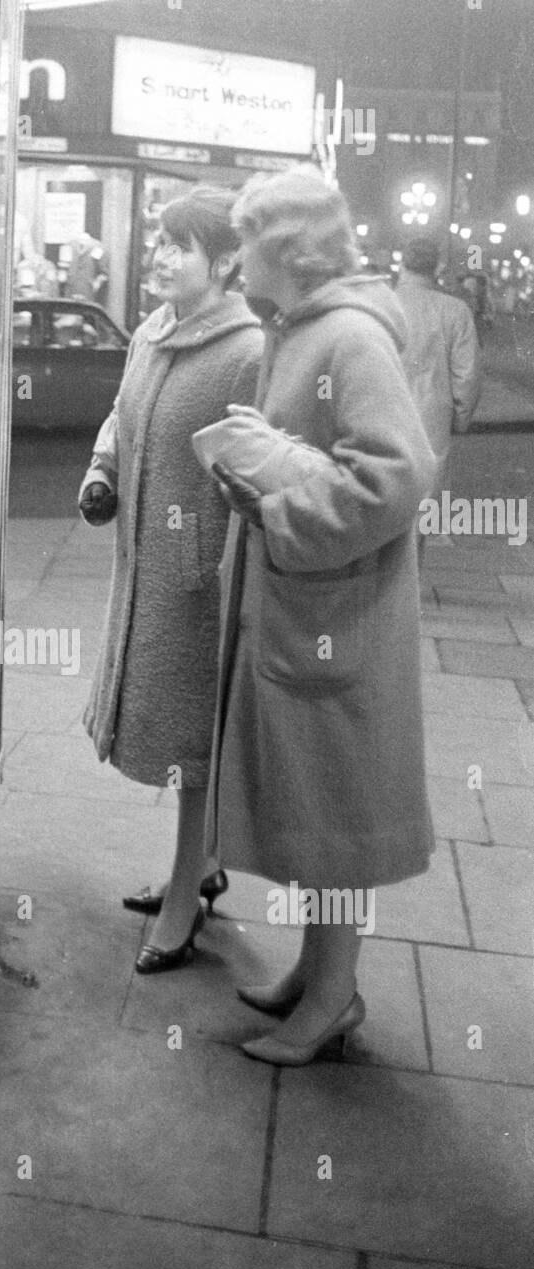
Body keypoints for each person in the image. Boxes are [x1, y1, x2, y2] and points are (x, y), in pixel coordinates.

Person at [205, 167, 439, 1065]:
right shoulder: (300, 329)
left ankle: (331, 1000)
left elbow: (393, 476)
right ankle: (314, 973)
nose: (234, 266)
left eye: (244, 246)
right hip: (309, 612)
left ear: (287, 252)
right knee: (313, 808)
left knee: (334, 819)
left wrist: (274, 505)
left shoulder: (344, 336)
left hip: (335, 617)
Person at [78, 188, 264, 973]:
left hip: (201, 586)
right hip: (146, 571)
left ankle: (186, 898)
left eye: (177, 245)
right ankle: (204, 864)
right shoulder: (153, 329)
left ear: (224, 263)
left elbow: (257, 462)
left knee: (192, 748)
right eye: (157, 241)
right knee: (175, 734)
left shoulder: (248, 350)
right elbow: (123, 416)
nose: (158, 256)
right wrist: (101, 470)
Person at [396, 236, 481, 554]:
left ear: (402, 264)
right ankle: (410, 583)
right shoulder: (455, 311)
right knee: (420, 508)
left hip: (379, 409)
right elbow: (467, 374)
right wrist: (459, 418)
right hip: (431, 414)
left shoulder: (380, 304)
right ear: (439, 268)